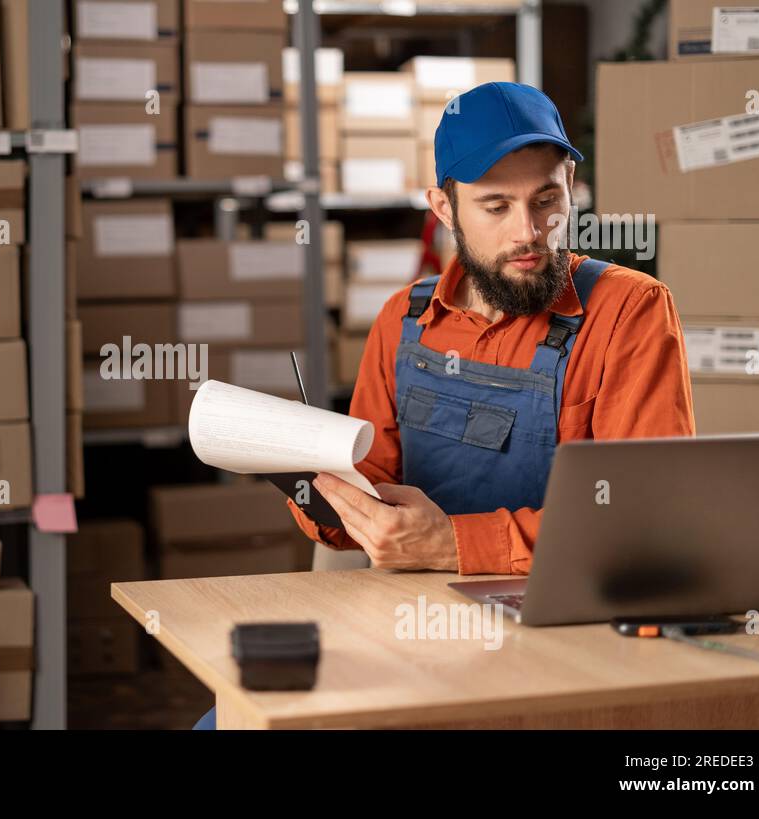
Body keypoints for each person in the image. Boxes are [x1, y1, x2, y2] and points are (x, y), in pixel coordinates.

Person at [193, 81, 695, 731]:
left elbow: (643, 529)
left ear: (572, 186)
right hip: (405, 628)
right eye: (495, 206)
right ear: (444, 208)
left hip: (564, 644)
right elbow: (368, 490)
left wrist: (450, 541)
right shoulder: (403, 321)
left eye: (547, 199)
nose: (529, 232)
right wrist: (320, 491)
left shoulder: (630, 312)